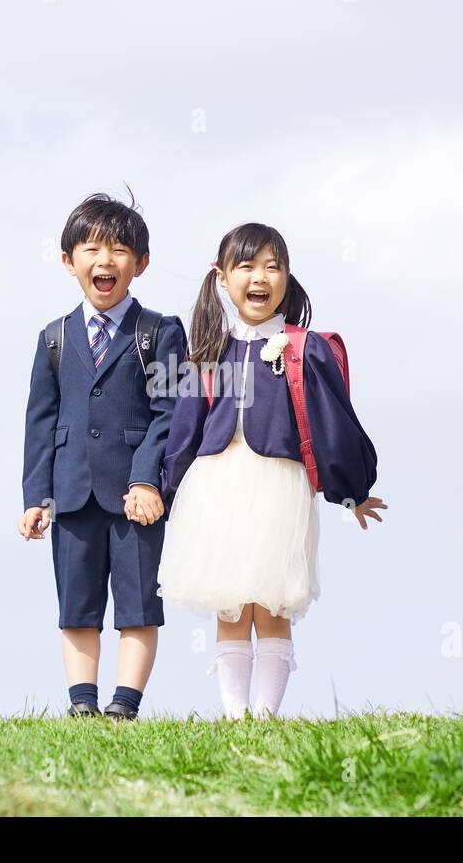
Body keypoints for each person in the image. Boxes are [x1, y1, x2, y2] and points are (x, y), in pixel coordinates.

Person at [157, 223, 386, 720]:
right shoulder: (207, 352)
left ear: (286, 277)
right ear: (221, 278)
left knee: (273, 606)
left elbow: (332, 424)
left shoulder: (305, 348)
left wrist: (353, 491)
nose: (260, 276)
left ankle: (265, 716)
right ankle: (236, 716)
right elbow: (184, 429)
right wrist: (164, 492)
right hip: (215, 485)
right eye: (246, 265)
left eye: (272, 265)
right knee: (231, 606)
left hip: (278, 488)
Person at [19, 190, 187, 721]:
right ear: (69, 261)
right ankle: (82, 704)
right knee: (77, 606)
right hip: (70, 493)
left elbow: (171, 412)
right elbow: (40, 422)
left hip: (137, 496)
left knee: (138, 604)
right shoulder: (53, 338)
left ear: (141, 263)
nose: (105, 260)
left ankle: (125, 704)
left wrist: (148, 482)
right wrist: (37, 496)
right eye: (91, 249)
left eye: (118, 249)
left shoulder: (159, 332)